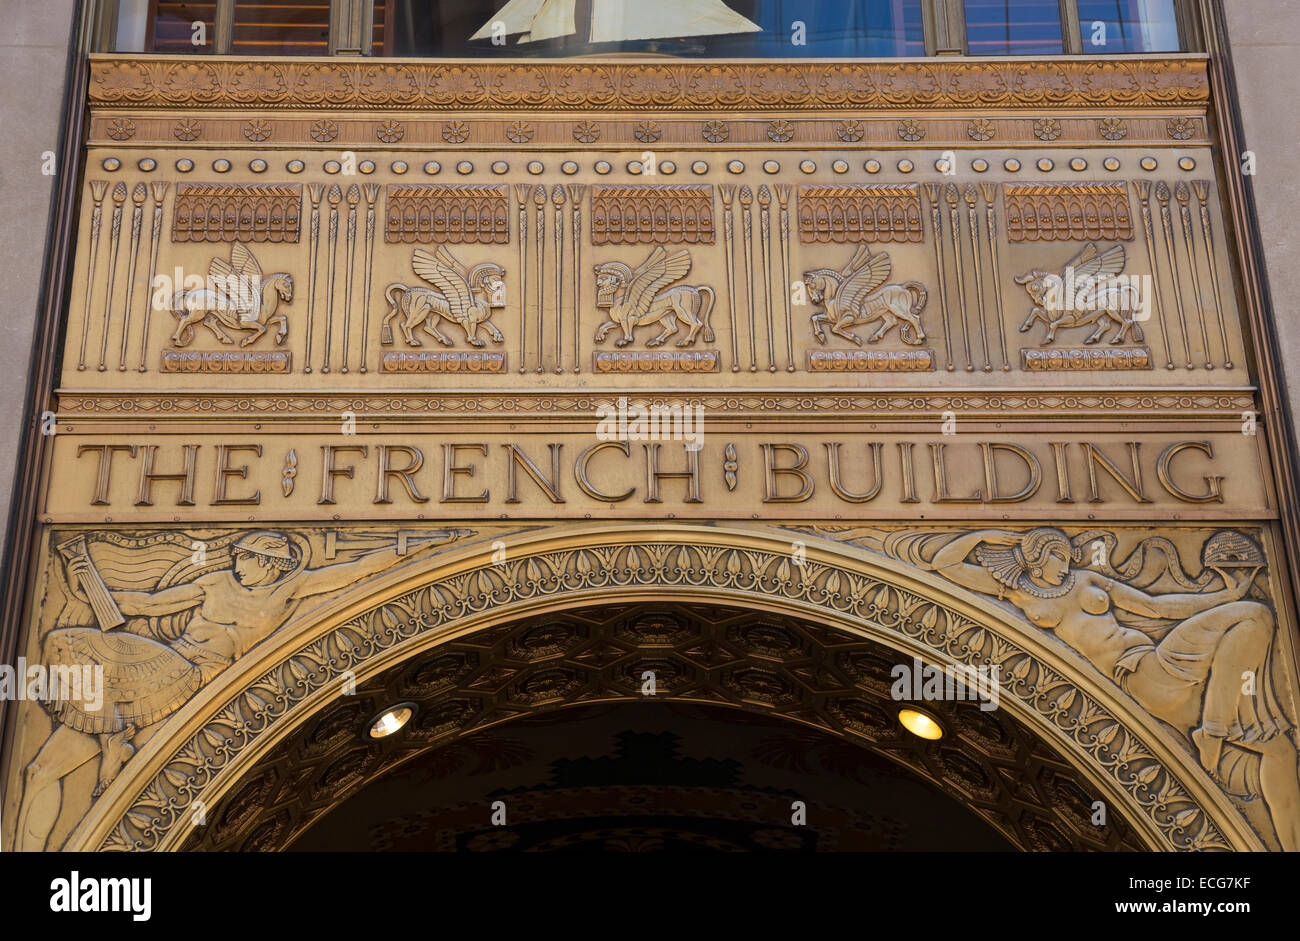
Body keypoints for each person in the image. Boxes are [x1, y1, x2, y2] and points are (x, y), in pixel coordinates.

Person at [17, 529, 460, 851]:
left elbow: (358, 569)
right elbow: (143, 605)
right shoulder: (213, 582)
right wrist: (85, 582)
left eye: (245, 556)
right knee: (41, 761)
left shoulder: (292, 588)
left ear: (271, 565)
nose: (236, 562)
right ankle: (110, 740)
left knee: (74, 655)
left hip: (197, 682)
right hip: (159, 665)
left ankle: (113, 738)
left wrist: (419, 545)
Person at [919, 527, 1299, 851]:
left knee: (1278, 745)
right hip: (1137, 677)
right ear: (1035, 558)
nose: (1064, 562)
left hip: (1159, 661)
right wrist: (988, 535)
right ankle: (1213, 730)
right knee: (1255, 617)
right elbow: (944, 564)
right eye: (1055, 555)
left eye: (1066, 554)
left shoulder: (1086, 580)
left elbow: (1156, 607)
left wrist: (1227, 597)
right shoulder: (1016, 591)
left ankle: (1215, 733)